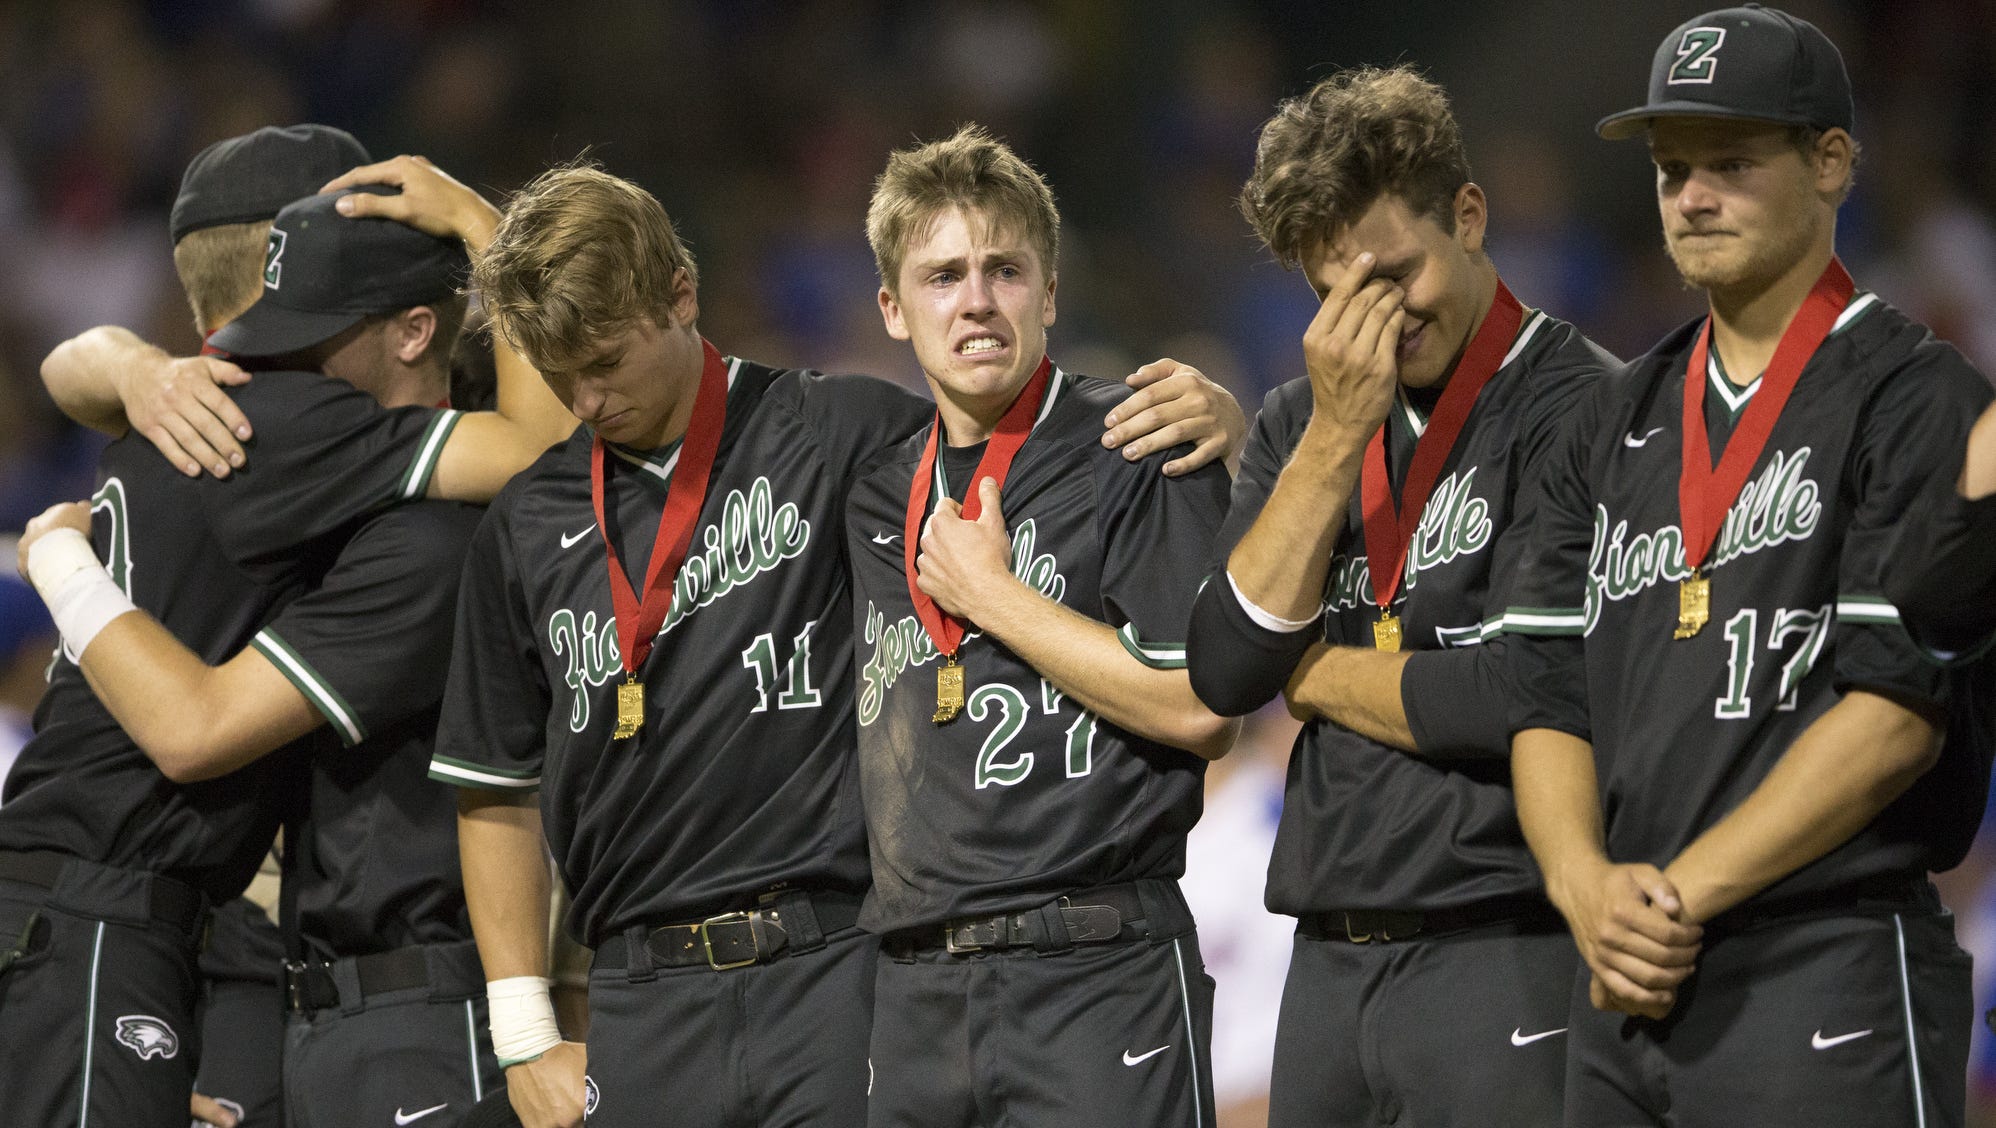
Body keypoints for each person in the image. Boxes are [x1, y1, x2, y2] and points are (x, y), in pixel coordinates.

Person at [428, 160, 1243, 1128]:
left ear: (682, 295)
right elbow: (492, 779)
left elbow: (999, 418)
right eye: (563, 376)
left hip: (839, 969)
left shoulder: (841, 433)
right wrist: (523, 1027)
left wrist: (1220, 420)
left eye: (604, 361)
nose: (586, 398)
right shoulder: (530, 519)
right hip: (648, 989)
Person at [7, 131, 574, 1127]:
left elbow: (69, 365)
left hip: (93, 917)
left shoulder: (171, 401)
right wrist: (485, 228)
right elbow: (543, 452)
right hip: (103, 916)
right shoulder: (298, 419)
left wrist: (124, 363)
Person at [1501, 7, 1992, 1125]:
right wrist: (1584, 890)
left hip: (1823, 960)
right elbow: (1542, 692)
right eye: (1672, 170)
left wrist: (1669, 900)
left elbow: (1890, 721)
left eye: (1731, 161)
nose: (1692, 197)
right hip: (1621, 977)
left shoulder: (1917, 400)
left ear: (1830, 163)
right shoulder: (1612, 414)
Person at [1182, 65, 1616, 1127]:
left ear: (1468, 216)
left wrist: (1315, 670)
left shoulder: (1585, 406)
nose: (1373, 319)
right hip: (1326, 963)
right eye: (1335, 293)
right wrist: (1334, 438)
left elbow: (1523, 690)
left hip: (1501, 947)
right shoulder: (1300, 421)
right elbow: (1226, 673)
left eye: (1393, 272)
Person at [845, 124, 1236, 1128]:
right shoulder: (870, 489)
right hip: (914, 994)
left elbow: (1200, 710)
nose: (975, 299)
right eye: (941, 277)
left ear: (1050, 294)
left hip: (1096, 970)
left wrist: (995, 600)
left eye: (1004, 269)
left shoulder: (1138, 444)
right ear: (893, 308)